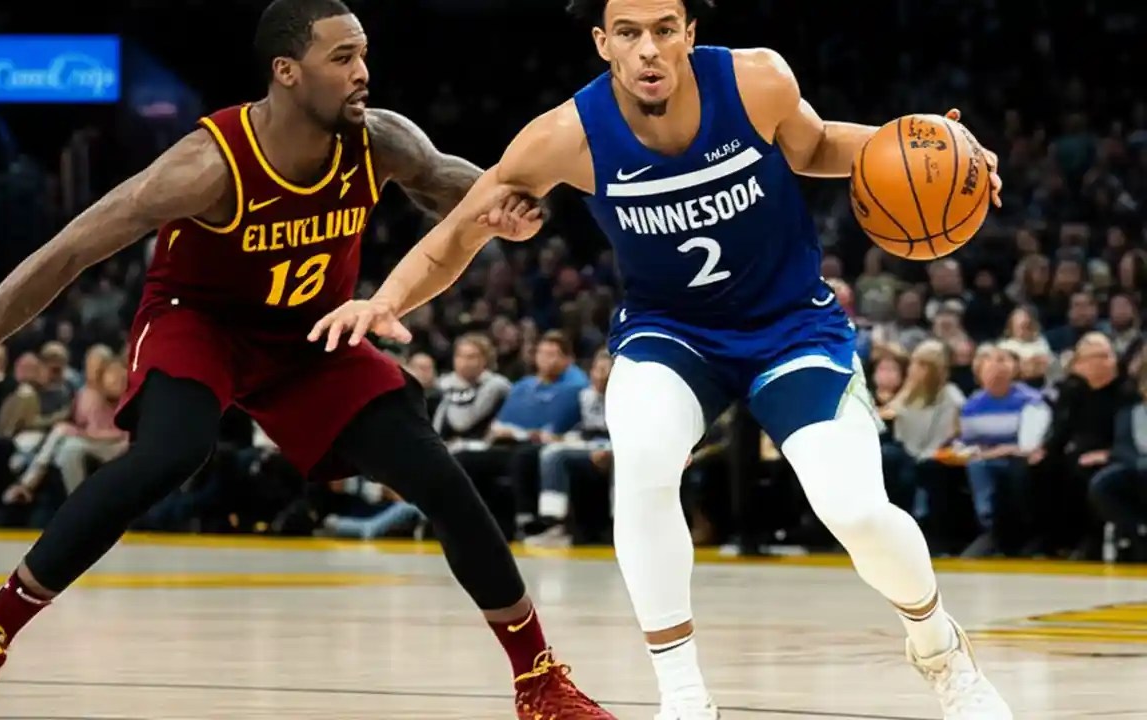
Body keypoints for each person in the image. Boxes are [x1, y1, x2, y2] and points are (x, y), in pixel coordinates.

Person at [0, 2, 612, 719]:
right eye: (342, 57)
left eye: (363, 55)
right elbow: (63, 255)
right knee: (171, 451)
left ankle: (539, 682)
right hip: (201, 323)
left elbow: (469, 187)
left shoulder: (380, 139)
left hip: (309, 332)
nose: (362, 72)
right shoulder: (205, 165)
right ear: (287, 71)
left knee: (437, 474)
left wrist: (512, 211)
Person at [309, 1, 1011, 718]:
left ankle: (939, 650)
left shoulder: (756, 81)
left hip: (793, 326)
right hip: (671, 334)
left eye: (664, 30)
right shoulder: (565, 136)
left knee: (855, 511)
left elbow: (817, 144)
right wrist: (384, 300)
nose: (648, 48)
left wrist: (936, 149)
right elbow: (459, 231)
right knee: (642, 463)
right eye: (628, 33)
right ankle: (682, 697)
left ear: (689, 34)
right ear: (602, 42)